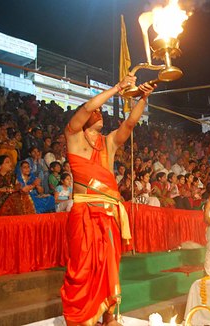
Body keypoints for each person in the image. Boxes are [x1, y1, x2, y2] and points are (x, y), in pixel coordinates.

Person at [60, 74, 155, 326]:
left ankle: (109, 316)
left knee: (109, 265)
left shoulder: (109, 143)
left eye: (102, 110)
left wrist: (143, 97)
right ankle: (82, 318)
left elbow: (131, 123)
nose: (99, 112)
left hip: (110, 213)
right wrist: (117, 88)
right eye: (97, 110)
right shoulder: (73, 136)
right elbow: (88, 106)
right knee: (83, 267)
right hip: (85, 212)